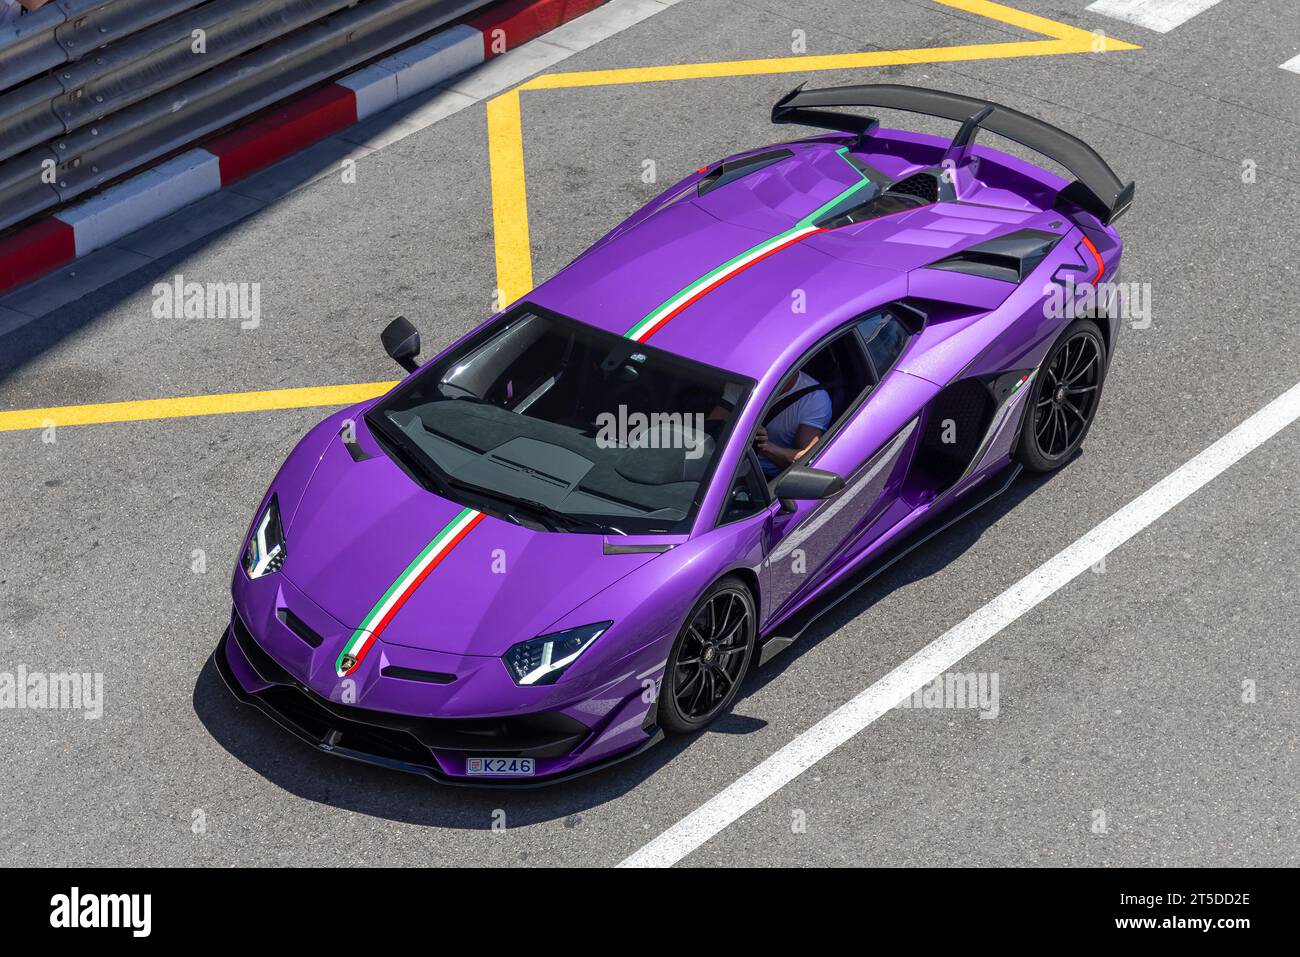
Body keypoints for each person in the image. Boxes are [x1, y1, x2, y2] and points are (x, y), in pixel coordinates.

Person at [754, 369, 832, 477]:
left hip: (767, 477)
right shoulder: (748, 379)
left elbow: (805, 461)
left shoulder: (814, 400)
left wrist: (764, 446)